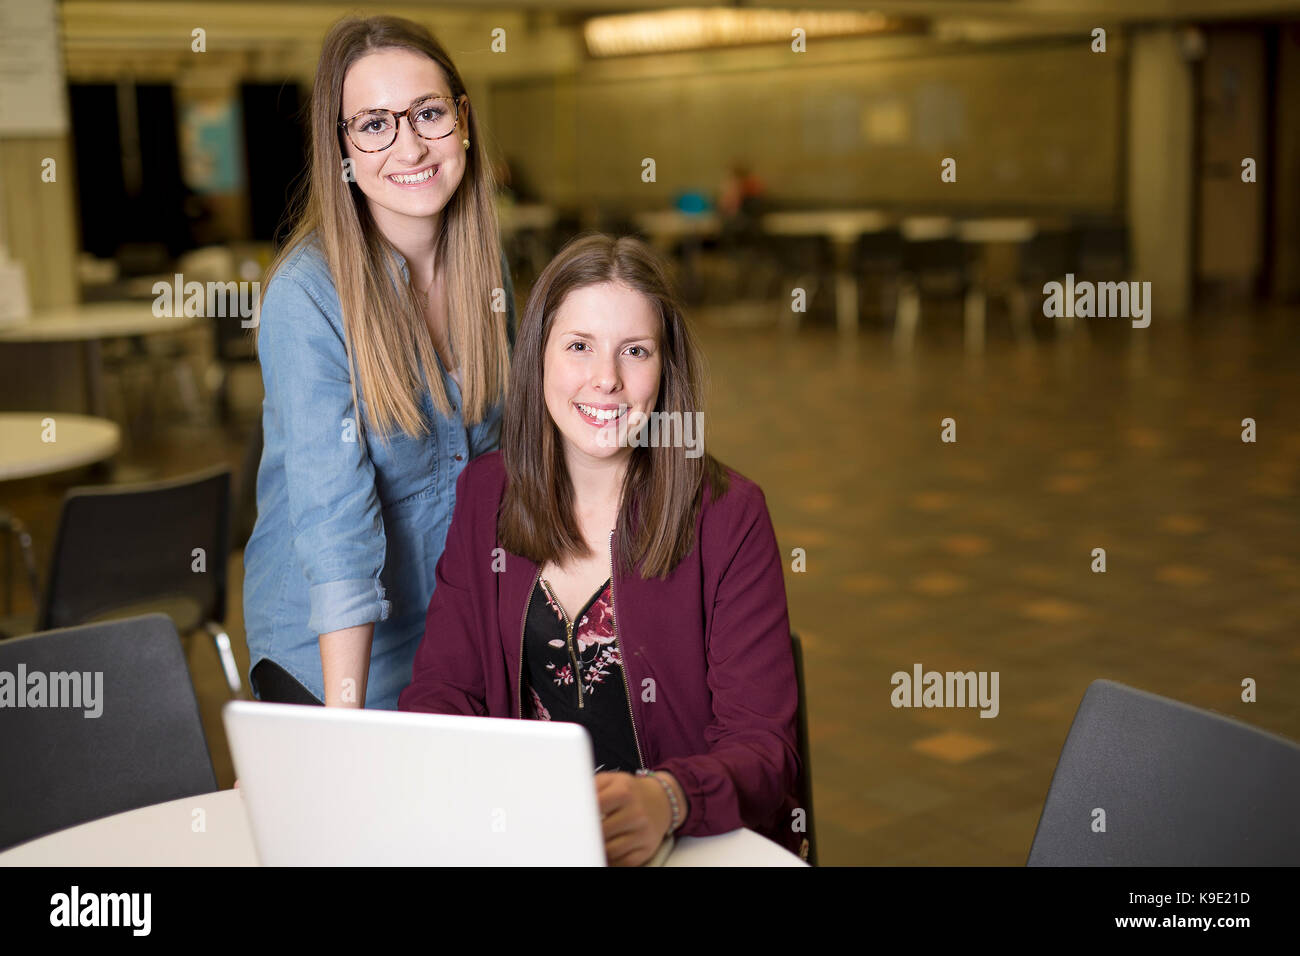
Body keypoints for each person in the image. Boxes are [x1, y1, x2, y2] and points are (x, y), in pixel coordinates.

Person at [399, 234, 803, 865]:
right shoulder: (485, 493)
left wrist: (668, 800)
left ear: (666, 369)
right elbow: (446, 689)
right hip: (529, 841)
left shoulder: (730, 515)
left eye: (635, 351)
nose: (606, 379)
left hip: (687, 845)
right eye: (580, 346)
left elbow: (764, 750)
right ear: (539, 358)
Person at [243, 15, 515, 710]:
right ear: (341, 150)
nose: (409, 145)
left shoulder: (489, 274)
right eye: (372, 124)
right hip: (331, 652)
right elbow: (336, 527)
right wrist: (345, 727)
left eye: (427, 113)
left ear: (463, 120)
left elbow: (509, 468)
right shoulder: (307, 296)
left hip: (458, 641)